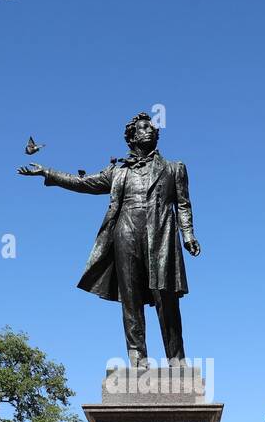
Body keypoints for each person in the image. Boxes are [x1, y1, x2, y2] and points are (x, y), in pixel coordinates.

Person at [17, 111, 200, 365]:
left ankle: (176, 360)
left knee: (165, 297)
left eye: (152, 128)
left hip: (161, 235)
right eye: (144, 127)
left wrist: (188, 234)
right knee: (131, 297)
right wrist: (49, 172)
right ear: (132, 137)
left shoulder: (174, 168)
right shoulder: (117, 172)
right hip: (125, 233)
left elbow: (183, 204)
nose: (151, 130)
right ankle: (137, 357)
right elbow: (84, 182)